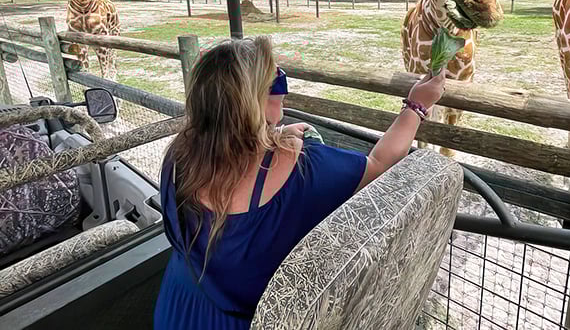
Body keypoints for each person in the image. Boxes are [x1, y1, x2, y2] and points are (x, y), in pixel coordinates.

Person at [153, 36, 447, 329]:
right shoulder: (304, 170)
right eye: (276, 81)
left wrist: (272, 134)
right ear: (257, 102)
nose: (282, 86)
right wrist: (417, 105)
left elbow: (231, 141)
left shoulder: (179, 155)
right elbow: (380, 165)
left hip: (179, 306)